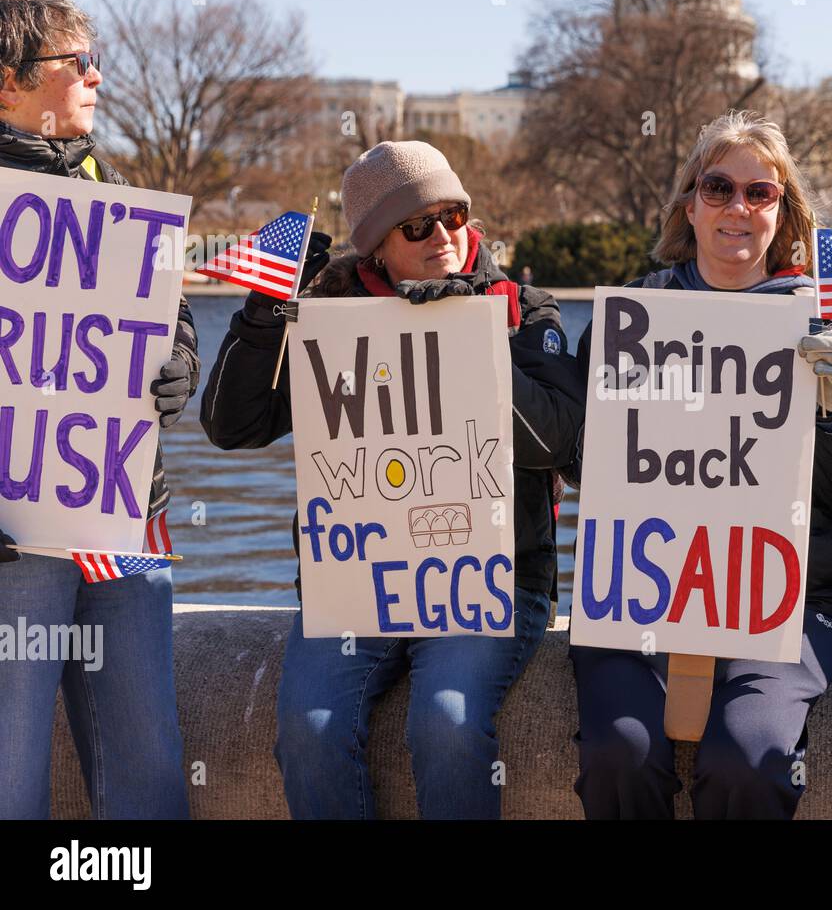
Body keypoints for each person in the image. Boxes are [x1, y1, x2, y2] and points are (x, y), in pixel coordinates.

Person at [200, 140, 584, 819]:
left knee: (447, 724)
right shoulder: (335, 316)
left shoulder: (523, 308)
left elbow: (563, 442)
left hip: (491, 577)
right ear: (377, 247)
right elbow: (234, 425)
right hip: (360, 580)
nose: (443, 236)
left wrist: (467, 337)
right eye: (417, 225)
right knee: (308, 731)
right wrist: (263, 315)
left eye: (454, 216)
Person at [566, 110, 832, 819]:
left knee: (749, 762)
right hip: (641, 596)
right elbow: (577, 459)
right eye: (719, 187)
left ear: (783, 213)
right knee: (618, 753)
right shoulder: (635, 316)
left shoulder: (821, 324)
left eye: (761, 192)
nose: (738, 208)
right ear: (689, 203)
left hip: (784, 600)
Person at [0, 0, 198, 819]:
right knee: (10, 776)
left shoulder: (111, 185)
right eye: (75, 62)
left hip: (126, 520)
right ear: (7, 84)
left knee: (147, 769)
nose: (97, 76)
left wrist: (177, 362)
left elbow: (172, 316)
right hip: (16, 538)